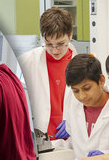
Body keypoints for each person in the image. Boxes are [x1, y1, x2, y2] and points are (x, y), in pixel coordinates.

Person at [17, 7, 78, 143]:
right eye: (49, 44)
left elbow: (95, 104)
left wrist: (75, 122)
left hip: (71, 138)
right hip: (39, 138)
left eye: (61, 44)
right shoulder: (28, 60)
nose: (55, 50)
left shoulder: (83, 64)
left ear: (70, 35)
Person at [59, 54, 109, 158]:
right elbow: (73, 144)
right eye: (76, 90)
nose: (82, 96)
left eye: (87, 88)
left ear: (101, 81)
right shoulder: (73, 102)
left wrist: (108, 157)